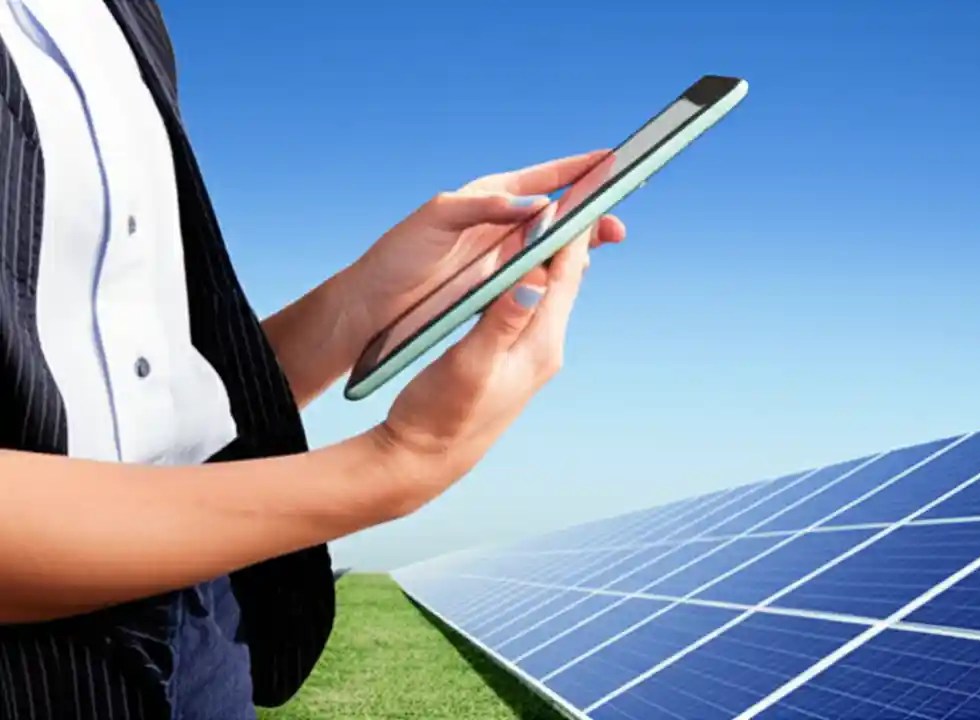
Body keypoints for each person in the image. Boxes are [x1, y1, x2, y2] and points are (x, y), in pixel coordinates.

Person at [0, 1, 625, 718]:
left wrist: (356, 308)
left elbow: (140, 401)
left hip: (203, 636)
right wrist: (396, 464)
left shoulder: (122, 14)